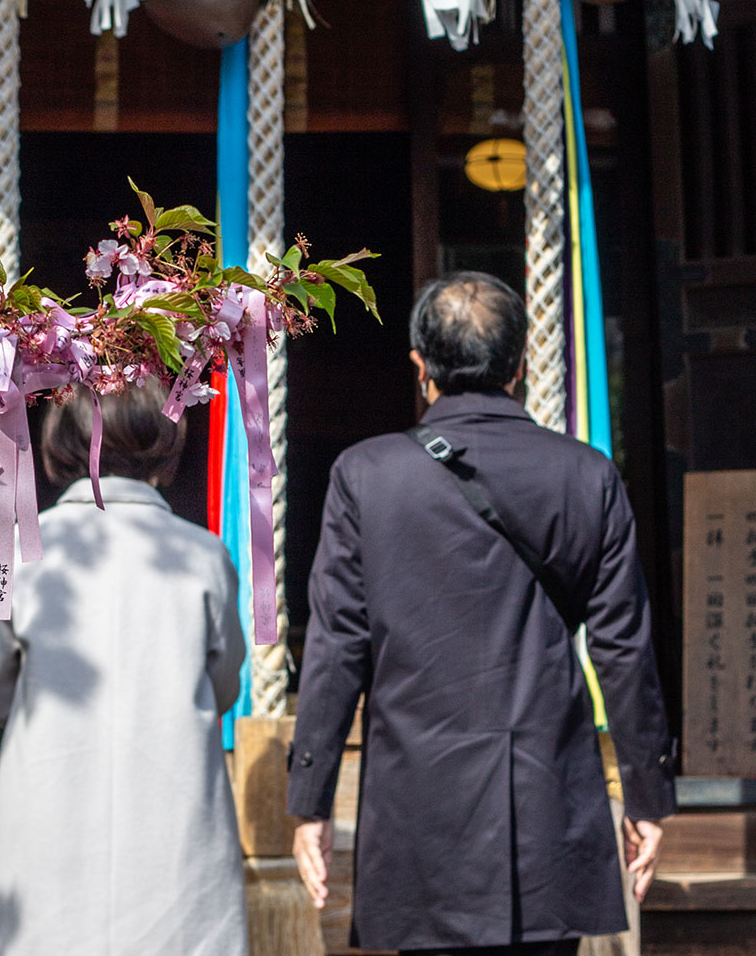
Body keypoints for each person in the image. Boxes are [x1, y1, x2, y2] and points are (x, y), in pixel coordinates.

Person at [288, 271, 676, 955]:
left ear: (420, 367)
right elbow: (623, 649)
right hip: (546, 802)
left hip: (419, 810)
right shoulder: (587, 476)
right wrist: (647, 794)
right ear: (520, 364)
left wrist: (310, 798)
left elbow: (337, 647)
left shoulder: (366, 475)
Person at [0, 380, 248, 956]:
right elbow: (223, 686)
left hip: (48, 796)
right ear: (162, 445)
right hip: (174, 803)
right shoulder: (204, 554)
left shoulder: (16, 552)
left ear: (60, 443)